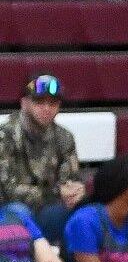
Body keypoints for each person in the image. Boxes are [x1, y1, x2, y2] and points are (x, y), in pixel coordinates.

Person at [0, 74, 85, 244]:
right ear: (24, 103)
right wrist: (56, 192)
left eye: (53, 103)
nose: (47, 108)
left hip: (46, 211)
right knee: (19, 211)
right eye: (39, 102)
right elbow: (8, 192)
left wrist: (76, 191)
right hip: (8, 212)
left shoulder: (64, 137)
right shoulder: (5, 136)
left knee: (84, 212)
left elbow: (69, 180)